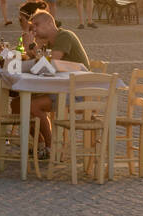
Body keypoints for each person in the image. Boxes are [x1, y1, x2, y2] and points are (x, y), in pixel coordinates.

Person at [17, 9, 90, 150]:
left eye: (37, 24)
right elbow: (41, 65)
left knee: (32, 105)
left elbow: (51, 63)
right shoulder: (50, 43)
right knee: (17, 104)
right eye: (33, 26)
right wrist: (29, 49)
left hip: (77, 92)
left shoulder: (64, 36)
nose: (35, 29)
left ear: (50, 23)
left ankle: (51, 148)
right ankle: (40, 144)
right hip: (60, 88)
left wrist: (32, 46)